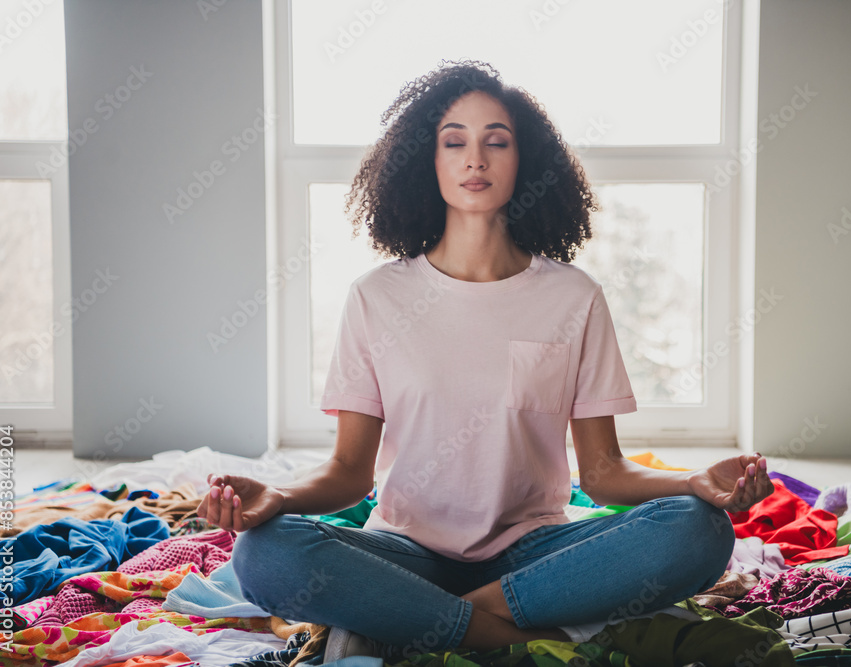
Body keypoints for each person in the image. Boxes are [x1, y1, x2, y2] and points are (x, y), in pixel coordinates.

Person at [200, 60, 775, 660]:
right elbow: (348, 472)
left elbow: (603, 474)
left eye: (496, 142)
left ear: (526, 162)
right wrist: (279, 498)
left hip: (534, 554)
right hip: (406, 553)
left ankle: (451, 619)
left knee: (698, 530)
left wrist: (696, 484)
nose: (475, 158)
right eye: (455, 142)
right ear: (430, 161)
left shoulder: (574, 297)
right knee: (264, 553)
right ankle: (516, 637)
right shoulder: (377, 296)